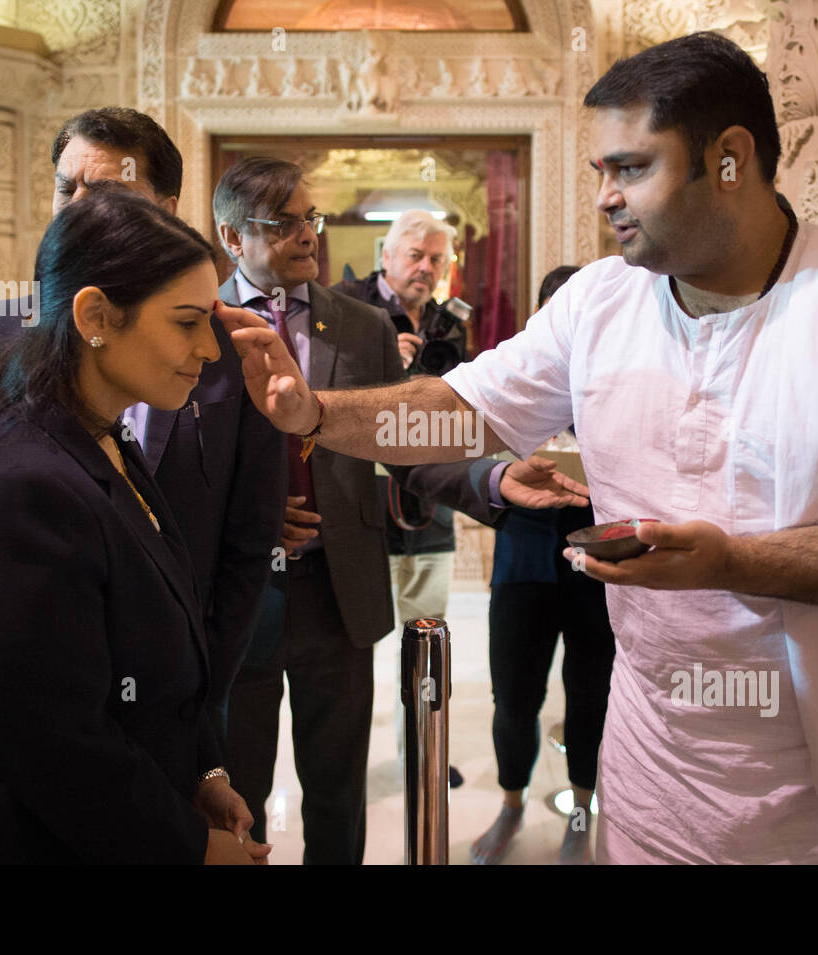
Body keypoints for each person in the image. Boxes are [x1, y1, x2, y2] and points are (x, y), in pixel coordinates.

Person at [217, 32, 818, 864]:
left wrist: (734, 563)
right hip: (654, 770)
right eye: (598, 173)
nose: (606, 198)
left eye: (632, 168)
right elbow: (460, 413)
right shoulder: (601, 301)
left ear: (729, 158)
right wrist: (314, 414)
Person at [0, 107, 285, 785]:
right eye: (67, 188)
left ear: (165, 213)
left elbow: (244, 541)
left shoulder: (226, 350)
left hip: (172, 692)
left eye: (108, 192)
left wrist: (195, 712)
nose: (78, 206)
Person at [212, 157, 589, 864]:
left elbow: (407, 445)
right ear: (232, 237)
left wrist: (496, 478)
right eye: (283, 222)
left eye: (310, 218)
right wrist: (249, 521)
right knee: (236, 794)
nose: (306, 234)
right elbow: (177, 467)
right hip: (236, 600)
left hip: (337, 591)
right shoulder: (197, 328)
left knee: (336, 790)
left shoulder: (357, 327)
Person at [469, 265, 615, 866]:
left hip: (597, 562)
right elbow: (475, 463)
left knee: (591, 695)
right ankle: (509, 806)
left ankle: (581, 809)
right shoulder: (516, 382)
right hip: (524, 562)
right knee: (514, 696)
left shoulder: (617, 385)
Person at [332, 210, 467, 786]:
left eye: (436, 259)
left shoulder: (448, 321)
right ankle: (343, 759)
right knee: (351, 646)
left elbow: (460, 409)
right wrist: (391, 368)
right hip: (356, 503)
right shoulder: (342, 308)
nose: (425, 268)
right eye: (415, 255)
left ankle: (421, 751)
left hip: (426, 503)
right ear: (386, 255)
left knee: (426, 638)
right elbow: (326, 404)